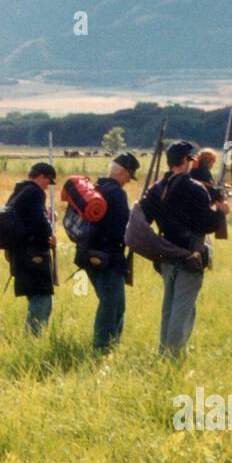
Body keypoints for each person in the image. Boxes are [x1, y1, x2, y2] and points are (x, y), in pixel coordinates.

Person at [141, 140, 229, 355]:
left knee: (169, 307)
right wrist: (221, 212)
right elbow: (207, 224)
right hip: (190, 254)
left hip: (165, 253)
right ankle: (173, 356)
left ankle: (165, 352)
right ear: (184, 161)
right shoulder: (195, 189)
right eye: (191, 159)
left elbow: (144, 217)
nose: (193, 163)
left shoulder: (157, 189)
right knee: (183, 308)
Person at [80, 151, 140, 352]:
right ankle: (102, 348)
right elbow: (122, 228)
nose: (128, 182)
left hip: (91, 255)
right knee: (111, 306)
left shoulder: (99, 187)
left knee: (115, 305)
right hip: (108, 258)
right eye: (129, 177)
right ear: (123, 172)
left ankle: (110, 346)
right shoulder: (116, 193)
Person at [6, 162, 56, 333]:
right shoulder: (35, 193)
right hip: (34, 256)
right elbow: (41, 225)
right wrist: (49, 229)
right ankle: (32, 340)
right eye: (48, 181)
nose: (48, 186)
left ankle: (32, 338)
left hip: (19, 256)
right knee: (42, 301)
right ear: (41, 176)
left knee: (36, 300)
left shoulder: (18, 191)